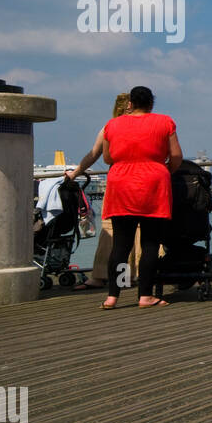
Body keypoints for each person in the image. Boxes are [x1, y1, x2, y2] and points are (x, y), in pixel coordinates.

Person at [94, 86, 182, 309]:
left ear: (130, 104)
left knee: (120, 245)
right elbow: (176, 156)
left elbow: (107, 157)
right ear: (151, 103)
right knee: (150, 244)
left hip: (120, 184)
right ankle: (145, 295)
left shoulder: (112, 125)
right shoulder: (165, 122)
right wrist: (163, 171)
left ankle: (112, 296)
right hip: (153, 184)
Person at [66, 92, 139, 291]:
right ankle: (131, 276)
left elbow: (93, 155)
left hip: (118, 184)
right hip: (141, 184)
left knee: (111, 231)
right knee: (139, 232)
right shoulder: (143, 127)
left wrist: (74, 173)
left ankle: (100, 276)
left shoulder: (109, 128)